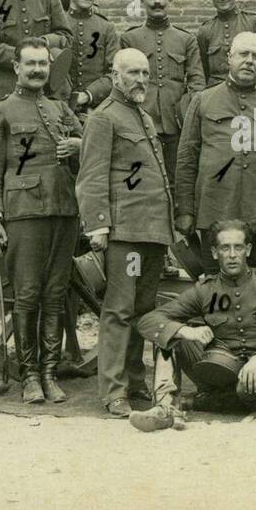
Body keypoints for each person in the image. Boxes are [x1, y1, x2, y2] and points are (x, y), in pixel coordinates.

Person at [0, 39, 84, 405]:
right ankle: (30, 376)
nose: (38, 70)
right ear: (17, 68)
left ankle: (51, 373)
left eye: (43, 64)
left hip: (64, 210)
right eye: (31, 64)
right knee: (27, 296)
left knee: (55, 295)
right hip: (22, 212)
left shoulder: (60, 109)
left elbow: (92, 144)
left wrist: (78, 147)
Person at [77, 48, 177, 418]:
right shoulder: (104, 118)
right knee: (119, 311)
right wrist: (98, 225)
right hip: (126, 235)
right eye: (132, 73)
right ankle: (114, 392)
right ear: (115, 77)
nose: (140, 80)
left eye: (145, 73)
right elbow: (91, 175)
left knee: (143, 311)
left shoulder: (142, 117)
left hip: (152, 234)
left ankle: (135, 381)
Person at [135, 220, 256, 420]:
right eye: (224, 248)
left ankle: (196, 401)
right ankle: (165, 406)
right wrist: (185, 331)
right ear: (214, 253)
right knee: (167, 335)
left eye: (238, 247)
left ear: (248, 250)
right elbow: (148, 321)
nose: (231, 255)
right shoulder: (205, 290)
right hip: (219, 369)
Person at [175, 32, 256, 275]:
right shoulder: (203, 100)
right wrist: (185, 210)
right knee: (216, 293)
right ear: (229, 58)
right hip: (216, 213)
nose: (249, 60)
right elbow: (186, 160)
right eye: (243, 54)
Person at [120, 0, 205, 183]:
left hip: (177, 126)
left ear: (170, 0)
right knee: (144, 181)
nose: (157, 1)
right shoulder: (130, 38)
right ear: (142, 1)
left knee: (178, 180)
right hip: (141, 124)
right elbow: (121, 84)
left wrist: (187, 115)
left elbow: (197, 81)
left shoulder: (186, 39)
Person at [55, 0, 120, 114]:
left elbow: (114, 73)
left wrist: (88, 95)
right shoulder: (57, 23)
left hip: (97, 107)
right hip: (58, 105)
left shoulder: (106, 27)